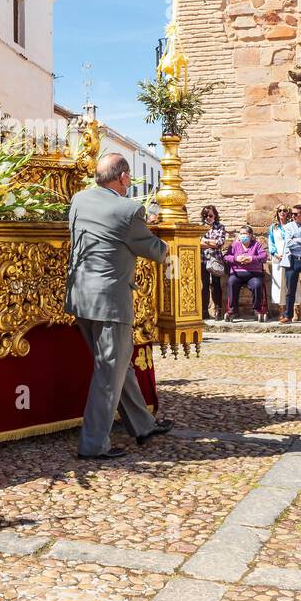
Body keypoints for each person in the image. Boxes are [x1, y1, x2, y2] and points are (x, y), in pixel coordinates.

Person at [65, 153, 173, 460]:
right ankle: (93, 444)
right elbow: (153, 250)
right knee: (108, 372)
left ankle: (142, 425)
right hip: (111, 301)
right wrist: (169, 243)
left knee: (117, 367)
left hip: (81, 297)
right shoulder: (129, 209)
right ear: (123, 177)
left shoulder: (80, 201)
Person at [223, 224, 268, 321]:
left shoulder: (257, 245)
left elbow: (264, 256)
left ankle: (257, 309)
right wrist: (236, 258)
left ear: (251, 235)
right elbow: (226, 257)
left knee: (257, 284)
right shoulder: (235, 245)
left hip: (253, 274)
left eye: (245, 233)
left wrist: (252, 258)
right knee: (231, 282)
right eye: (241, 233)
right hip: (237, 274)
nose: (243, 235)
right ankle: (232, 310)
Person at [199, 205, 227, 321]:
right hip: (203, 259)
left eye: (210, 215)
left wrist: (205, 241)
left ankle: (218, 310)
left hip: (215, 260)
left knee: (216, 285)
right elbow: (197, 242)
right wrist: (212, 242)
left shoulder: (220, 227)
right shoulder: (200, 227)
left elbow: (219, 243)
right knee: (204, 285)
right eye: (205, 215)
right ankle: (204, 311)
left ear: (215, 215)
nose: (208, 218)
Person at [267, 206, 290, 321]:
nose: (282, 212)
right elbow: (271, 242)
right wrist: (275, 254)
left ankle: (293, 309)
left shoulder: (291, 226)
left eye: (285, 210)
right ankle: (282, 310)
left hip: (290, 257)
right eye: (280, 210)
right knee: (279, 283)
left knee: (291, 284)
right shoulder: (273, 227)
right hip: (278, 257)